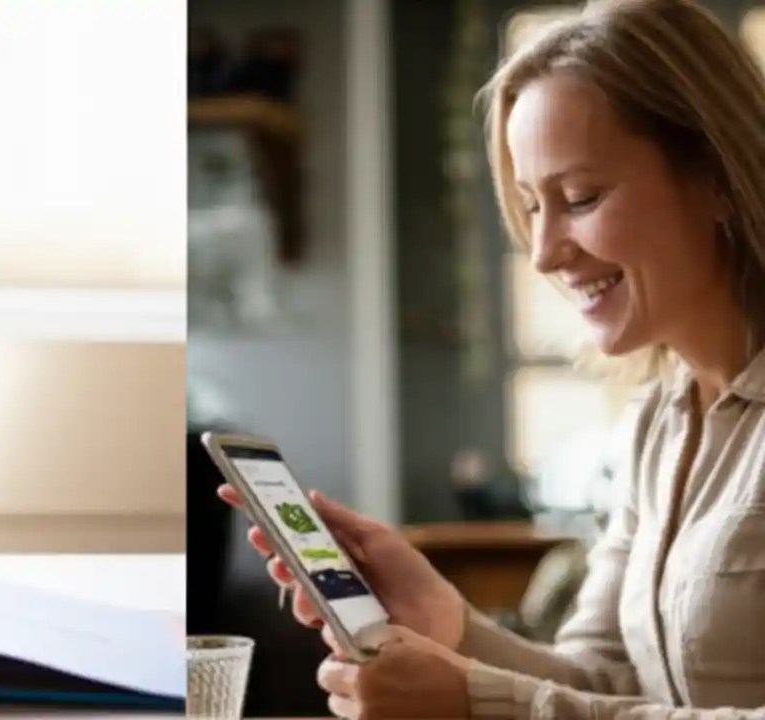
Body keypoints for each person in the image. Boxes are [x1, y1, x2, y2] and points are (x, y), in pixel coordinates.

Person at [221, 0, 765, 717]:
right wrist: (448, 621)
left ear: (716, 178)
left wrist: (477, 702)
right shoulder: (655, 427)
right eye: (532, 207)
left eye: (580, 197)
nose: (543, 253)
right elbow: (605, 683)